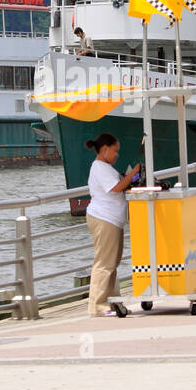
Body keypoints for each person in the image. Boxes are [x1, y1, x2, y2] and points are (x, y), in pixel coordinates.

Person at [84, 133, 139, 317]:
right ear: (105, 149)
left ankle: (113, 302)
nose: (117, 155)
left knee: (112, 263)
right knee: (104, 264)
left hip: (112, 220)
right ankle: (98, 306)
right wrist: (132, 174)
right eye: (115, 151)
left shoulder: (105, 168)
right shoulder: (99, 167)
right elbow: (116, 187)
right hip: (104, 219)